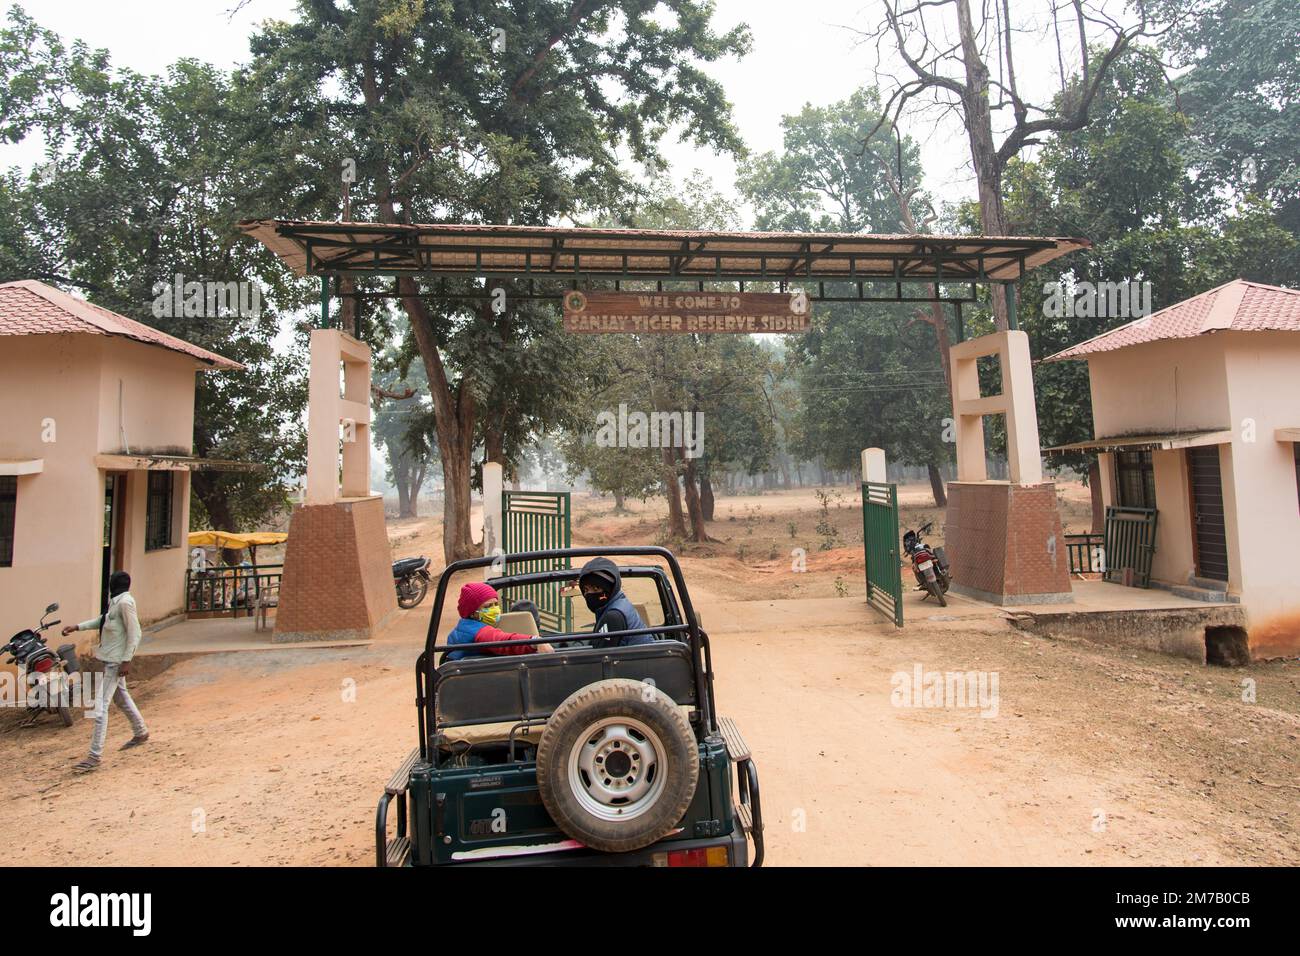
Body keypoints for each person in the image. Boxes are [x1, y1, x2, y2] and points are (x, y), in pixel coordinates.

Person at [61, 570, 149, 773]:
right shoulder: (116, 602)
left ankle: (94, 756)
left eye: (111, 582)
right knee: (122, 698)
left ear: (116, 584)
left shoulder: (126, 603)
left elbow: (135, 633)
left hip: (115, 663)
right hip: (112, 659)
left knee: (100, 708)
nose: (108, 584)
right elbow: (104, 620)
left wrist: (126, 661)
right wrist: (77, 627)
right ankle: (140, 731)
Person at [445, 582, 554, 661]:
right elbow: (501, 641)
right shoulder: (477, 631)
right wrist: (534, 642)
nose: (495, 609)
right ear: (473, 612)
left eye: (495, 604)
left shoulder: (461, 628)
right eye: (488, 606)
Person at [577, 557, 653, 648]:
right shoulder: (620, 604)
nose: (590, 594)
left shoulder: (613, 616)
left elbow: (601, 656)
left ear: (609, 589)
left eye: (596, 588)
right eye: (586, 589)